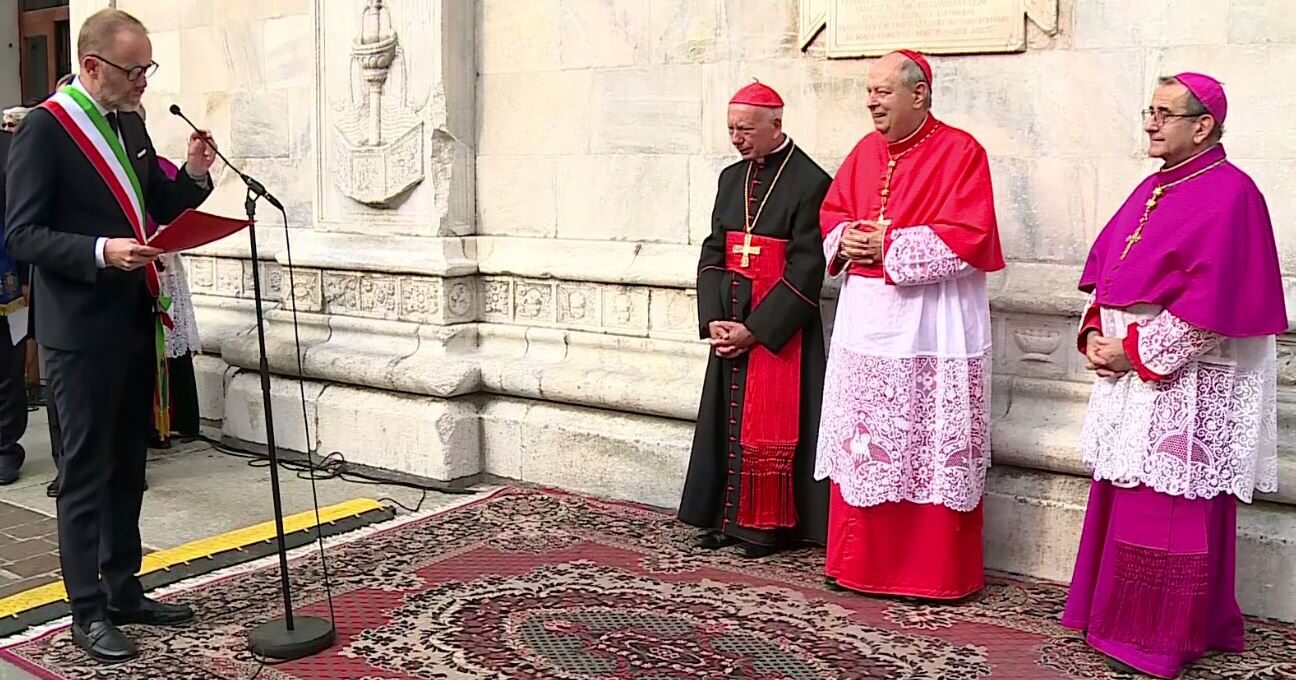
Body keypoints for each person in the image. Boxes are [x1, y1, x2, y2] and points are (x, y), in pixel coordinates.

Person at [5, 8, 216, 663]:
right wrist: (101, 251)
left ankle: (125, 588)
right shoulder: (46, 129)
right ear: (92, 65)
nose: (144, 82)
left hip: (132, 320)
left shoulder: (130, 122)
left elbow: (156, 198)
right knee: (86, 475)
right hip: (78, 332)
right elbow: (22, 234)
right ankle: (86, 611)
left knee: (129, 468)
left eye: (148, 69)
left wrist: (196, 175)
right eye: (134, 70)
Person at [1061, 73, 1285, 679]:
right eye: (1149, 111)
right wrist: (1095, 334)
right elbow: (1108, 272)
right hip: (1138, 371)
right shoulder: (1154, 186)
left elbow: (1212, 307)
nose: (1150, 122)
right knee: (1132, 489)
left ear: (1202, 125)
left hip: (1185, 381)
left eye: (1163, 113)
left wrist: (1132, 353)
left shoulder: (1232, 194)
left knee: (1168, 503)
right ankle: (1111, 616)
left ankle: (1154, 637)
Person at [813, 50, 1004, 600]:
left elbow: (971, 237)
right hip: (866, 323)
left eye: (882, 91)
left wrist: (889, 244)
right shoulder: (865, 150)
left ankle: (931, 571)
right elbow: (833, 214)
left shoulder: (962, 152)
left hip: (932, 324)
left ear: (918, 94)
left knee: (928, 435)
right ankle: (857, 563)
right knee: (866, 441)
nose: (871, 101)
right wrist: (844, 238)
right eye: (868, 92)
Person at [677, 80, 832, 558]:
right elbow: (713, 250)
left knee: (770, 423)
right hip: (732, 317)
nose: (737, 138)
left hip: (777, 331)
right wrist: (715, 320)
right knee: (726, 421)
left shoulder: (811, 181)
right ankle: (724, 519)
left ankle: (767, 529)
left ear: (776, 125)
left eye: (746, 128)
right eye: (731, 129)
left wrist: (757, 330)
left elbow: (808, 266)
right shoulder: (730, 178)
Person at [0, 123, 29, 485]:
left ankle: (4, 447)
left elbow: (22, 216)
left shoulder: (10, 146)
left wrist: (25, 276)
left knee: (6, 367)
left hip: (6, 280)